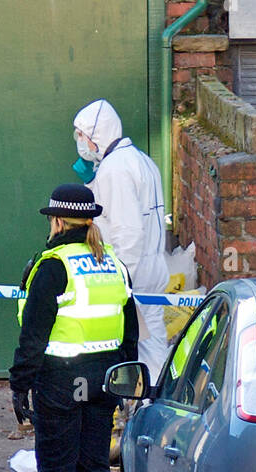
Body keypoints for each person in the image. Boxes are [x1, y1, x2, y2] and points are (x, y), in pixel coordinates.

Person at [10, 183, 138, 472]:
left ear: (58, 221)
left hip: (60, 382)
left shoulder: (53, 266)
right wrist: (123, 378)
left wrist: (19, 384)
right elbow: (129, 330)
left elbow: (33, 333)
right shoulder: (113, 264)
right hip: (102, 382)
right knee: (95, 468)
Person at [72, 98, 172, 384]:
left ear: (96, 134)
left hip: (133, 274)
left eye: (82, 135)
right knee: (151, 345)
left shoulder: (115, 168)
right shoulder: (141, 160)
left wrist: (120, 280)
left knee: (132, 347)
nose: (81, 142)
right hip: (152, 270)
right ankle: (155, 399)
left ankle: (141, 400)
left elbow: (127, 231)